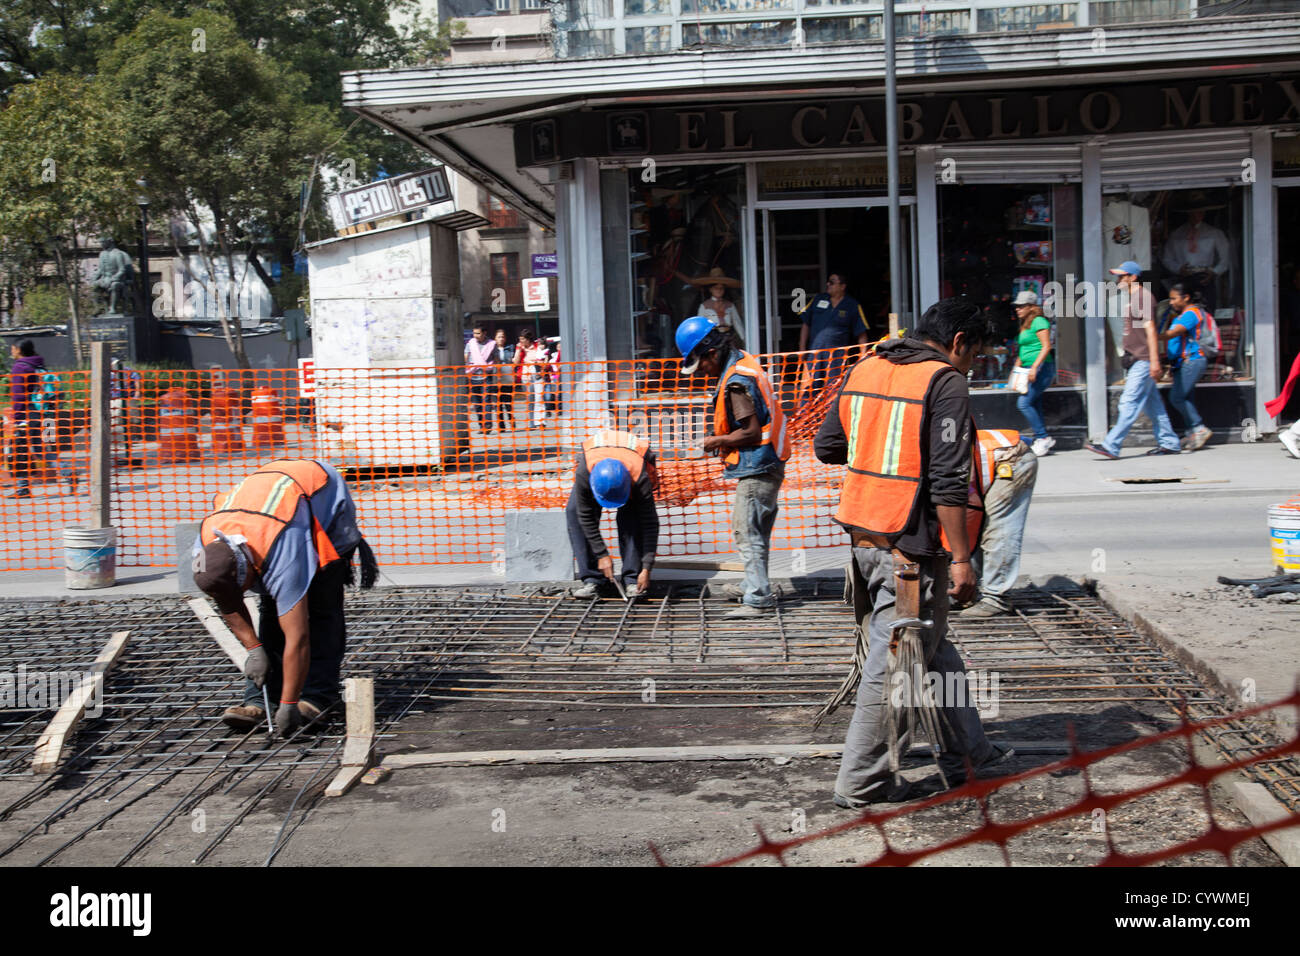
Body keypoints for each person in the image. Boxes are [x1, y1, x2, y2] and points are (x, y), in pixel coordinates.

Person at [814, 297, 1012, 806]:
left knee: (932, 646)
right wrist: (964, 559)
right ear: (959, 341)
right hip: (911, 546)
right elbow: (950, 479)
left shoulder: (867, 365)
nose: (970, 366)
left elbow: (827, 445)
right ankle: (863, 780)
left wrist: (883, 450)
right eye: (973, 355)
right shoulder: (944, 380)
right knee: (895, 658)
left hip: (865, 535)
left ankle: (969, 755)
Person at [192, 458, 378, 735]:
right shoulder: (207, 547)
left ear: (248, 572)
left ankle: (315, 697)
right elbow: (227, 603)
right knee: (271, 610)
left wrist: (290, 703)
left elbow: (298, 637)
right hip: (277, 508)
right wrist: (254, 650)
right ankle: (260, 700)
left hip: (321, 493)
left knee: (320, 611)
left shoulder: (281, 551)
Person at [677, 316, 790, 619]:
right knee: (756, 531)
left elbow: (751, 431)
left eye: (701, 364)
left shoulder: (737, 381)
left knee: (746, 531)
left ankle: (757, 597)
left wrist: (715, 441)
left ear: (712, 352)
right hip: (768, 462)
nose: (701, 371)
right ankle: (755, 584)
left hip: (758, 465)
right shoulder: (742, 361)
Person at [1084, 261, 1181, 459]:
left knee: (1128, 401)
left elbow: (1151, 329)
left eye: (1121, 276)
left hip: (1143, 358)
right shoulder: (1134, 297)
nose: (1118, 279)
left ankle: (1111, 445)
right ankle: (1169, 442)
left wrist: (1155, 361)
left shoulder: (1143, 297)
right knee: (1153, 404)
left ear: (1133, 277)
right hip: (1138, 358)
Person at [566, 429, 659, 601]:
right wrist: (602, 554)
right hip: (597, 464)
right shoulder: (585, 473)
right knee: (574, 512)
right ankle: (593, 580)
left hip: (631, 466)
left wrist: (647, 568)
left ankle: (633, 579)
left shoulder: (639, 478)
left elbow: (650, 524)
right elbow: (585, 516)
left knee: (634, 518)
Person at [959, 429, 1039, 619]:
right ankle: (970, 590)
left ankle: (997, 598)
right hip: (984, 468)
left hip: (1011, 459)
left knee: (998, 531)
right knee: (967, 531)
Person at [1159, 282, 1213, 452]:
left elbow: (1175, 333)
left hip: (1193, 360)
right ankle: (1192, 432)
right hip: (1184, 362)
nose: (1171, 302)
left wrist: (1153, 336)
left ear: (1186, 297)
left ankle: (1199, 428)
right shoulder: (1181, 314)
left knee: (1177, 397)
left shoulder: (1192, 313)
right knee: (1186, 398)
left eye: (1174, 298)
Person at [798, 273, 871, 393]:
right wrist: (802, 348)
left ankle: (830, 412)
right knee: (809, 388)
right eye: (828, 281)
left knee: (833, 388)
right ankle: (808, 411)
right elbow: (805, 324)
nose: (828, 284)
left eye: (832, 282)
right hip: (814, 353)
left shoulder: (852, 305)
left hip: (837, 357)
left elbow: (861, 333)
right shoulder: (818, 299)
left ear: (842, 286)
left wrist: (862, 357)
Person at [1161, 194, 1231, 313]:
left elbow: (1225, 258)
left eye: (1199, 212)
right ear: (1188, 214)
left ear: (1203, 213)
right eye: (1192, 212)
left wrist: (1214, 272)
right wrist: (1179, 269)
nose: (1195, 215)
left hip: (1205, 278)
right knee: (1183, 312)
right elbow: (1167, 258)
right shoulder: (1177, 234)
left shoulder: (1214, 233)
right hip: (1184, 278)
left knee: (1206, 311)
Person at [1011, 290, 1056, 457]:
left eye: (1021, 306)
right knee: (1034, 403)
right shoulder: (1025, 324)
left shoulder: (1039, 321)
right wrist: (1015, 371)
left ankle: (1043, 438)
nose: (1018, 309)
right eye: (1017, 306)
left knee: (1023, 403)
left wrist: (1035, 367)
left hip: (1041, 368)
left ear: (1031, 307)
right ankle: (1041, 439)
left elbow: (1046, 347)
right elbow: (1023, 350)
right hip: (1027, 368)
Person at [7, 340, 46, 498]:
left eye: (13, 349)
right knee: (41, 449)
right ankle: (68, 473)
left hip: (26, 416)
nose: (11, 352)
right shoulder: (40, 366)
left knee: (18, 450)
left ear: (18, 350)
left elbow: (18, 395)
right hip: (44, 414)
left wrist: (17, 418)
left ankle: (23, 489)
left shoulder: (19, 367)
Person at [463, 324, 498, 434]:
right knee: (477, 402)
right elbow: (466, 356)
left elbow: (496, 358)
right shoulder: (471, 343)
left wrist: (494, 368)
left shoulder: (491, 344)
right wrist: (468, 367)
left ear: (484, 333)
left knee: (487, 400)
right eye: (474, 333)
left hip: (486, 375)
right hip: (473, 375)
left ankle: (487, 424)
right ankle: (481, 425)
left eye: (478, 333)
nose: (475, 335)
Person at [517, 330, 550, 427]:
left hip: (537, 373)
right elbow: (516, 362)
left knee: (539, 397)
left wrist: (543, 369)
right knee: (530, 399)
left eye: (523, 339)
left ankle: (541, 421)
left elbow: (544, 356)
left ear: (528, 339)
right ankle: (532, 422)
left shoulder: (537, 346)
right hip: (525, 375)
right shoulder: (520, 348)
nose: (521, 341)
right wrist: (519, 350)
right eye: (520, 339)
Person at [492, 329, 516, 431]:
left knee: (508, 402)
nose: (501, 339)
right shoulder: (492, 349)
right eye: (499, 337)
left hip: (507, 377)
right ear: (495, 339)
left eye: (502, 337)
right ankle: (501, 426)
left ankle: (511, 420)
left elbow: (513, 360)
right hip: (495, 378)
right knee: (498, 403)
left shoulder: (510, 348)